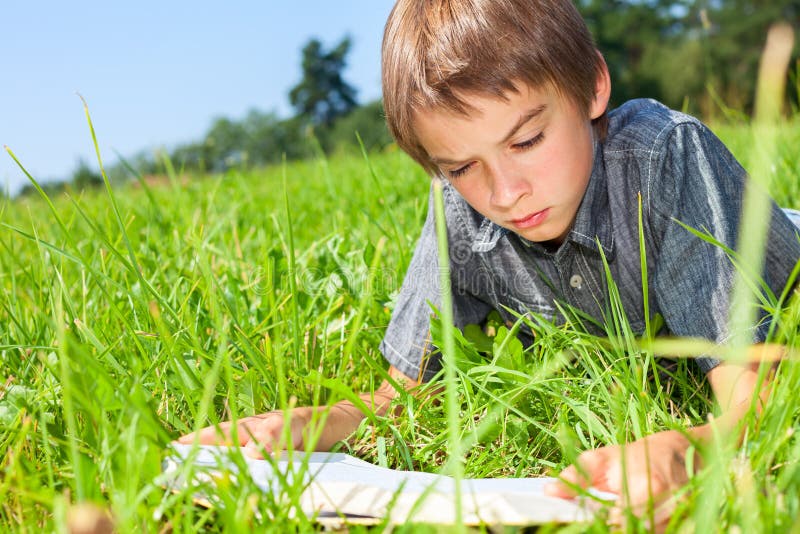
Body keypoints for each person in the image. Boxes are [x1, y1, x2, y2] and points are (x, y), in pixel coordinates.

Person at [179, 0, 800, 517]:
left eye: (526, 140)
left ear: (593, 87)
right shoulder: (460, 207)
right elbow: (403, 393)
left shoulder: (664, 158)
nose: (505, 194)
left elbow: (757, 395)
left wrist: (691, 446)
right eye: (462, 166)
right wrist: (309, 425)